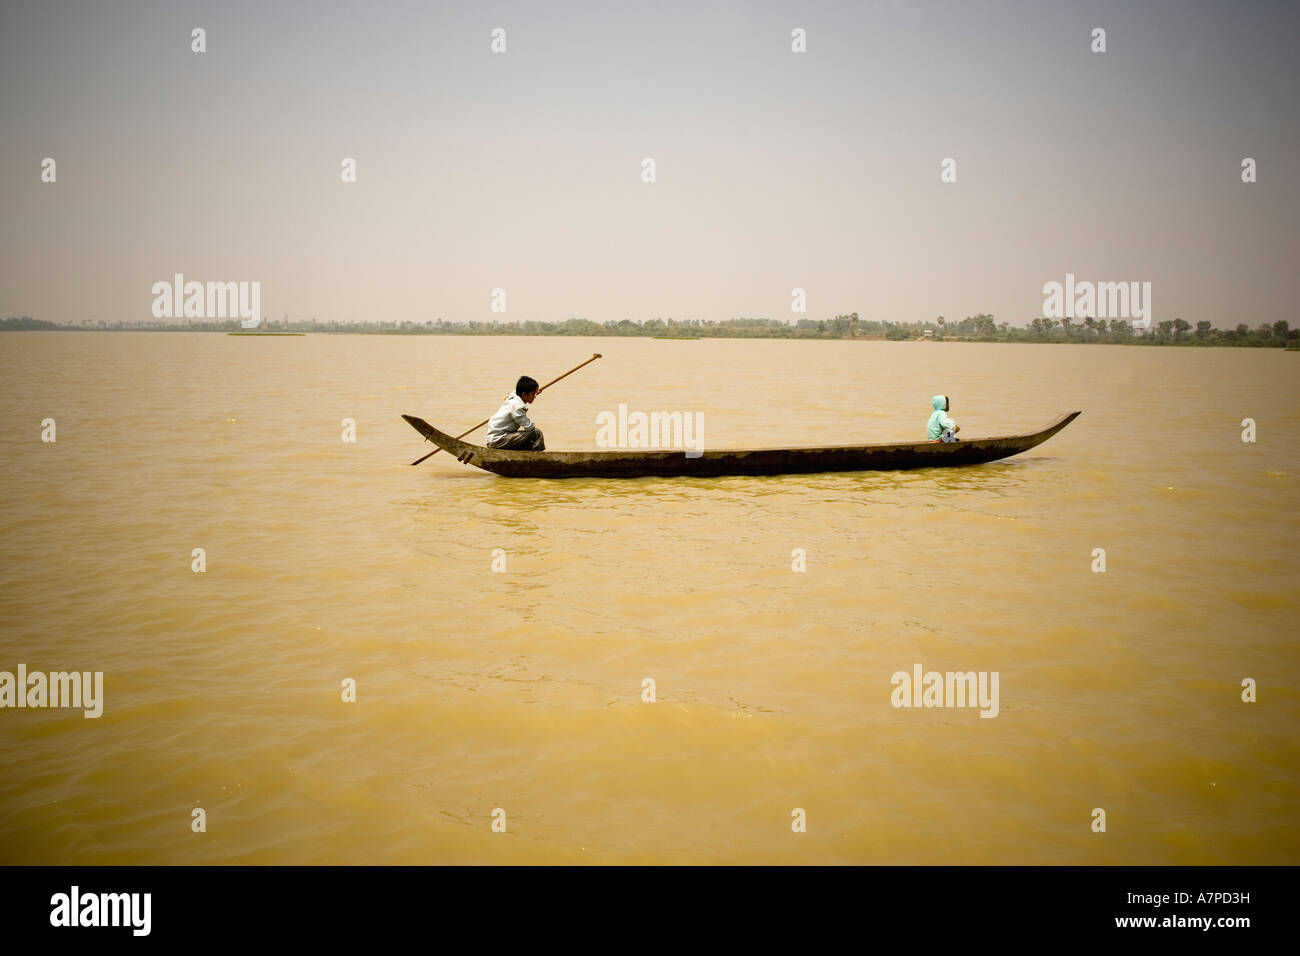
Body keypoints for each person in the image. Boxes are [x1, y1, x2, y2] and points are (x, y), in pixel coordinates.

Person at [485, 375, 545, 450]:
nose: (535, 396)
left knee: (530, 439)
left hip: (494, 438)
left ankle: (529, 453)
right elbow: (529, 427)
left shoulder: (514, 396)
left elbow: (515, 391)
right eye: (533, 394)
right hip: (498, 441)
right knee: (536, 433)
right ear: (524, 395)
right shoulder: (518, 407)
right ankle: (538, 457)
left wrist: (535, 391)